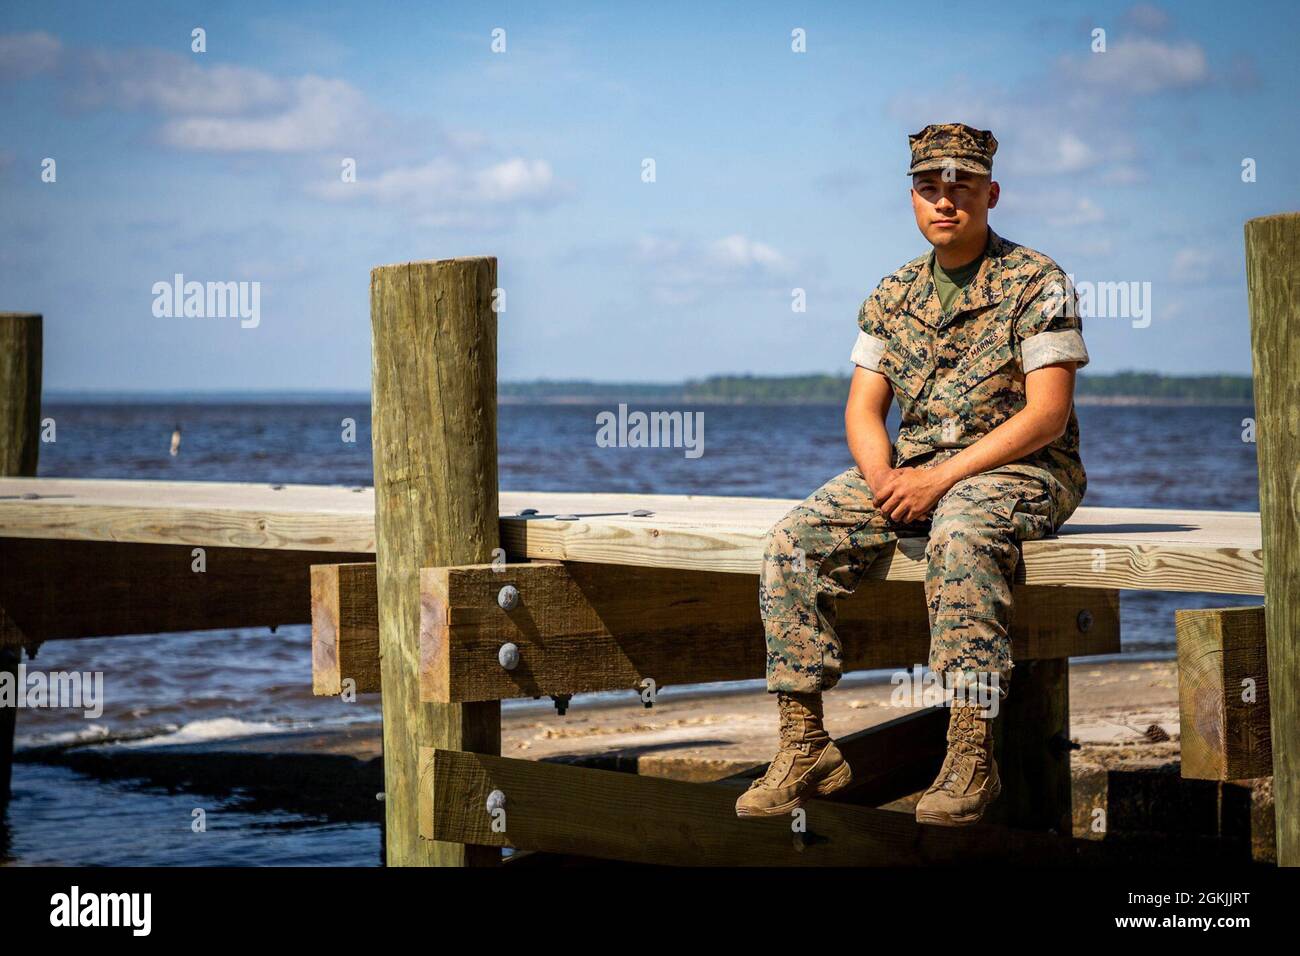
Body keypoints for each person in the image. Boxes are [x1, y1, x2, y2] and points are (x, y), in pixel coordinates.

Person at [735, 123, 1090, 826]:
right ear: (914, 200)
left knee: (959, 535)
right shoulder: (891, 294)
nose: (944, 203)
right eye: (929, 189)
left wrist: (938, 482)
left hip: (1022, 469)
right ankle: (805, 742)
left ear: (991, 194)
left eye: (960, 189)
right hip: (916, 467)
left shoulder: (1037, 282)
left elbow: (1047, 416)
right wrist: (885, 480)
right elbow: (865, 410)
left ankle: (970, 749)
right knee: (793, 539)